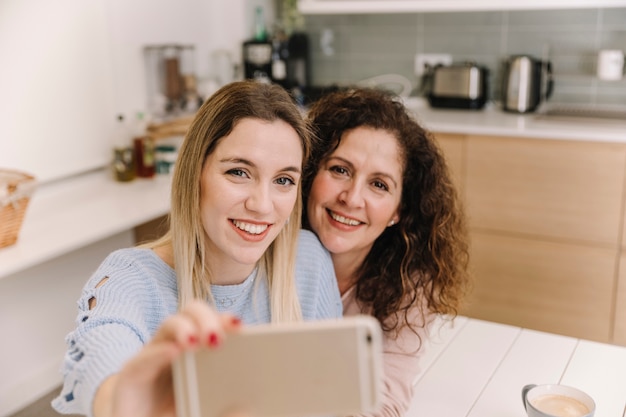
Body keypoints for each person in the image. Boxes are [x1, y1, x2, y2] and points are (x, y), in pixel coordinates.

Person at [52, 80, 343, 417]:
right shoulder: (129, 280)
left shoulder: (306, 260)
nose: (263, 205)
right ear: (195, 173)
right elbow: (105, 354)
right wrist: (121, 401)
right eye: (239, 172)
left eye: (283, 180)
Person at [303, 87, 471, 417]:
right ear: (310, 173)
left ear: (398, 211)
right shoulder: (265, 244)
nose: (351, 198)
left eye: (379, 185)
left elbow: (385, 401)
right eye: (340, 169)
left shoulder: (409, 282)